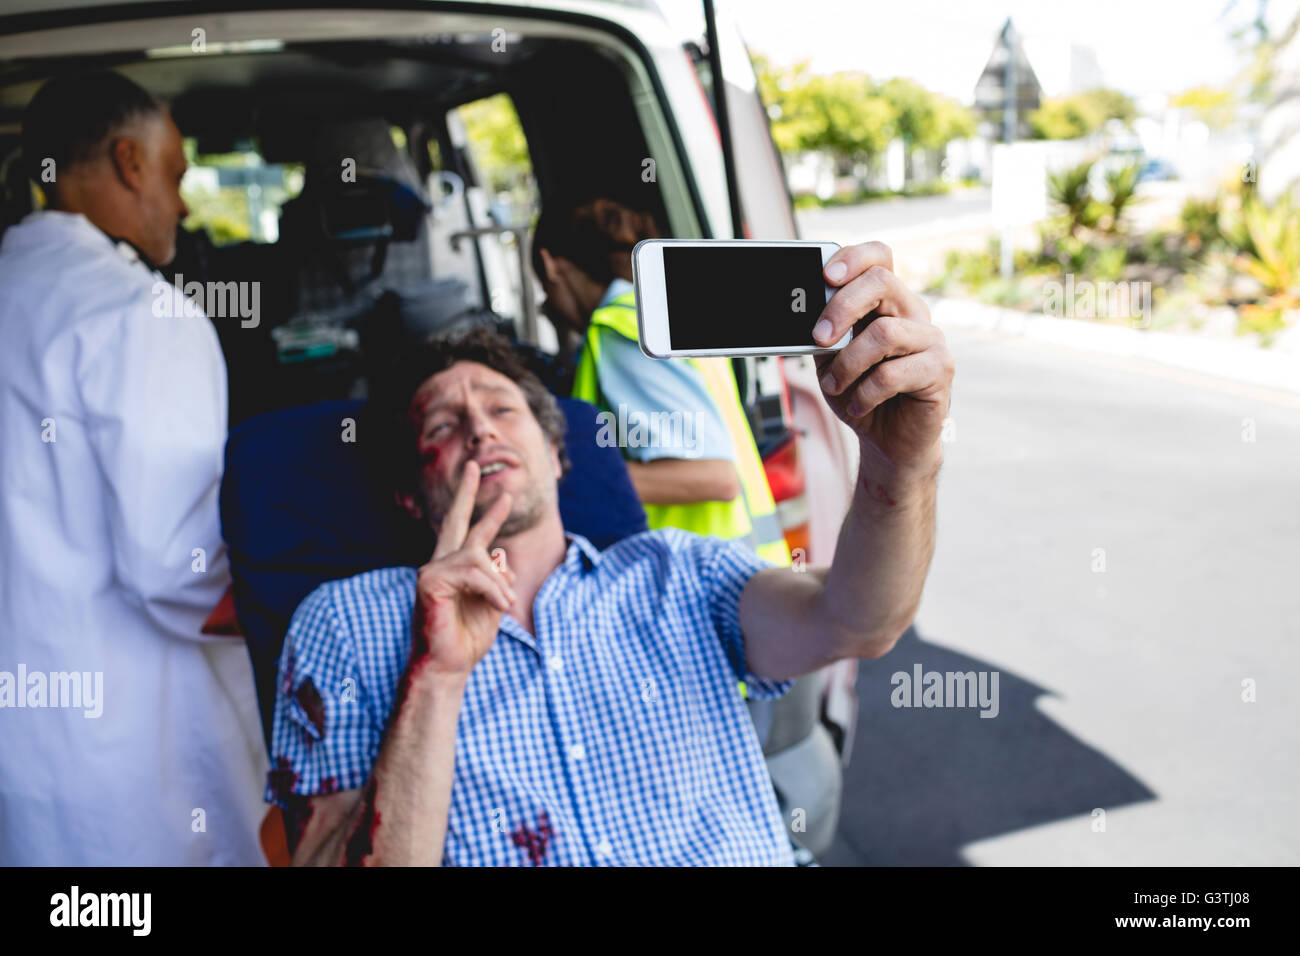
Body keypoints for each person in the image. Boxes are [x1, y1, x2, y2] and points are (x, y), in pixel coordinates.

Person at [266, 241, 954, 865]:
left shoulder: (677, 571)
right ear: (410, 496)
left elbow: (862, 621)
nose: (479, 429)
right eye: (443, 424)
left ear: (559, 456)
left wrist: (902, 463)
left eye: (504, 411)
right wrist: (436, 676)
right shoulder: (347, 622)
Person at [0, 71, 267, 864]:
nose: (183, 206)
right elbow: (174, 567)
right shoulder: (139, 315)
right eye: (177, 175)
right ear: (129, 162)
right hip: (131, 758)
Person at [531, 195, 789, 565]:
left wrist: (569, 472)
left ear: (550, 264)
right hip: (737, 574)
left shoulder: (620, 332)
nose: (547, 304)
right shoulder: (660, 313)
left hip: (699, 585)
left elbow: (714, 477)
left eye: (544, 289)